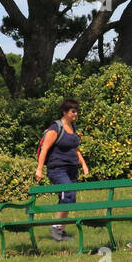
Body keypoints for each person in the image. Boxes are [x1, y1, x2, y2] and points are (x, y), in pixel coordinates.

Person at [35, 98, 90, 241]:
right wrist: (39, 169)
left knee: (70, 198)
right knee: (68, 194)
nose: (76, 114)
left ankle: (60, 231)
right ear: (65, 112)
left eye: (76, 111)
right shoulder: (55, 129)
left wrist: (83, 165)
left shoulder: (73, 128)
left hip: (72, 169)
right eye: (73, 111)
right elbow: (44, 150)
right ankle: (55, 227)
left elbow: (75, 149)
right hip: (57, 169)